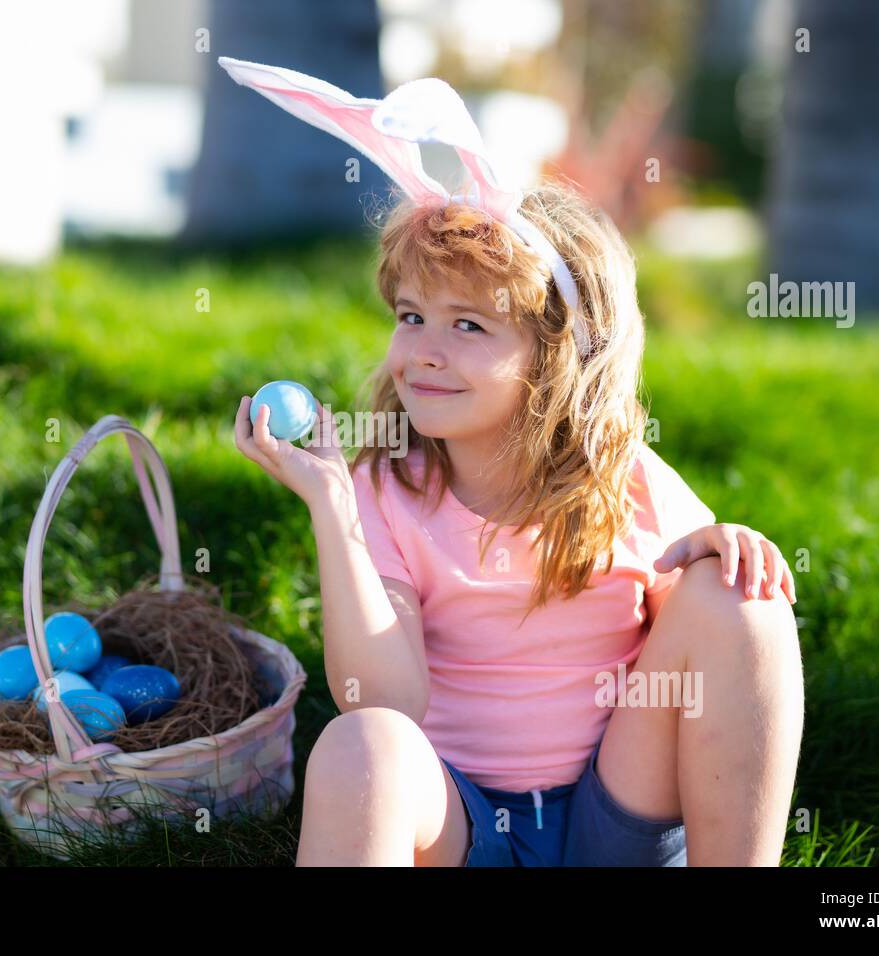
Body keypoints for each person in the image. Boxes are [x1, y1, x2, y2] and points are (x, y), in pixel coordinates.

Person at [226, 59, 803, 867]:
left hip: (617, 813)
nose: (422, 351)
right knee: (362, 748)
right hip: (462, 829)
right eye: (412, 314)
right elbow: (382, 701)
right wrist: (332, 507)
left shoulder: (625, 479)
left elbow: (711, 637)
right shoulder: (386, 486)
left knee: (745, 600)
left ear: (554, 358)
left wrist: (729, 550)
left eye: (469, 326)